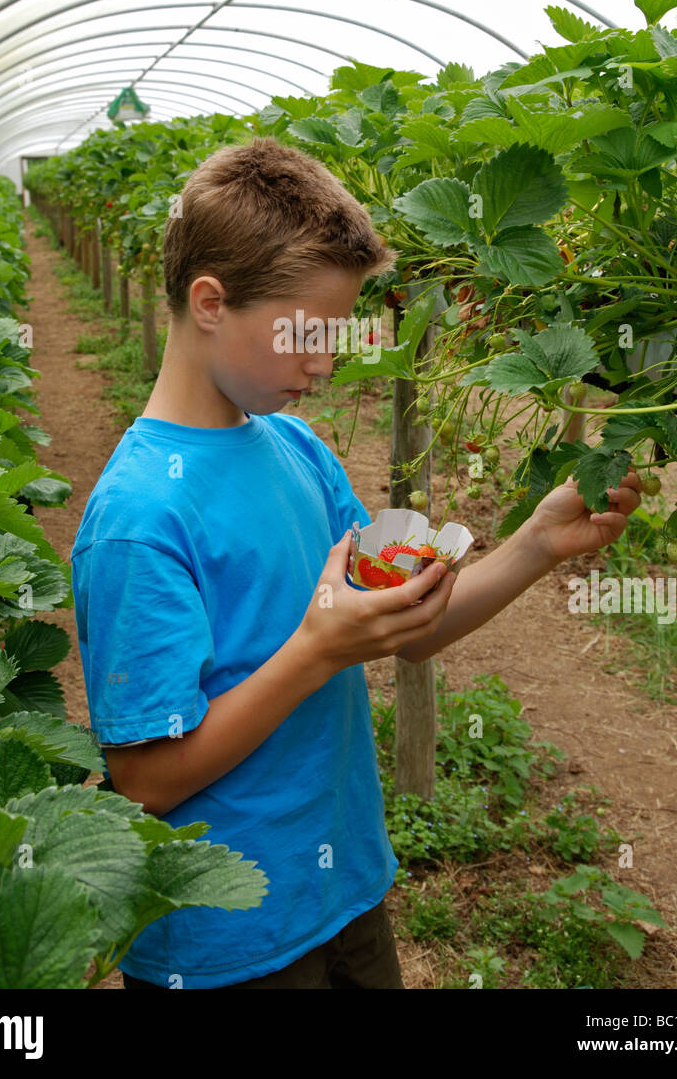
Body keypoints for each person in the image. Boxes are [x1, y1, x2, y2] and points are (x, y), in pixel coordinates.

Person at [70, 135, 641, 990]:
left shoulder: (297, 448)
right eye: (305, 333)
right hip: (224, 941)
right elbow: (146, 779)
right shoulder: (141, 517)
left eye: (337, 333)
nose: (328, 362)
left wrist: (535, 544)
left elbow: (408, 629)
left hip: (345, 895)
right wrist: (318, 653)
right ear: (211, 302)